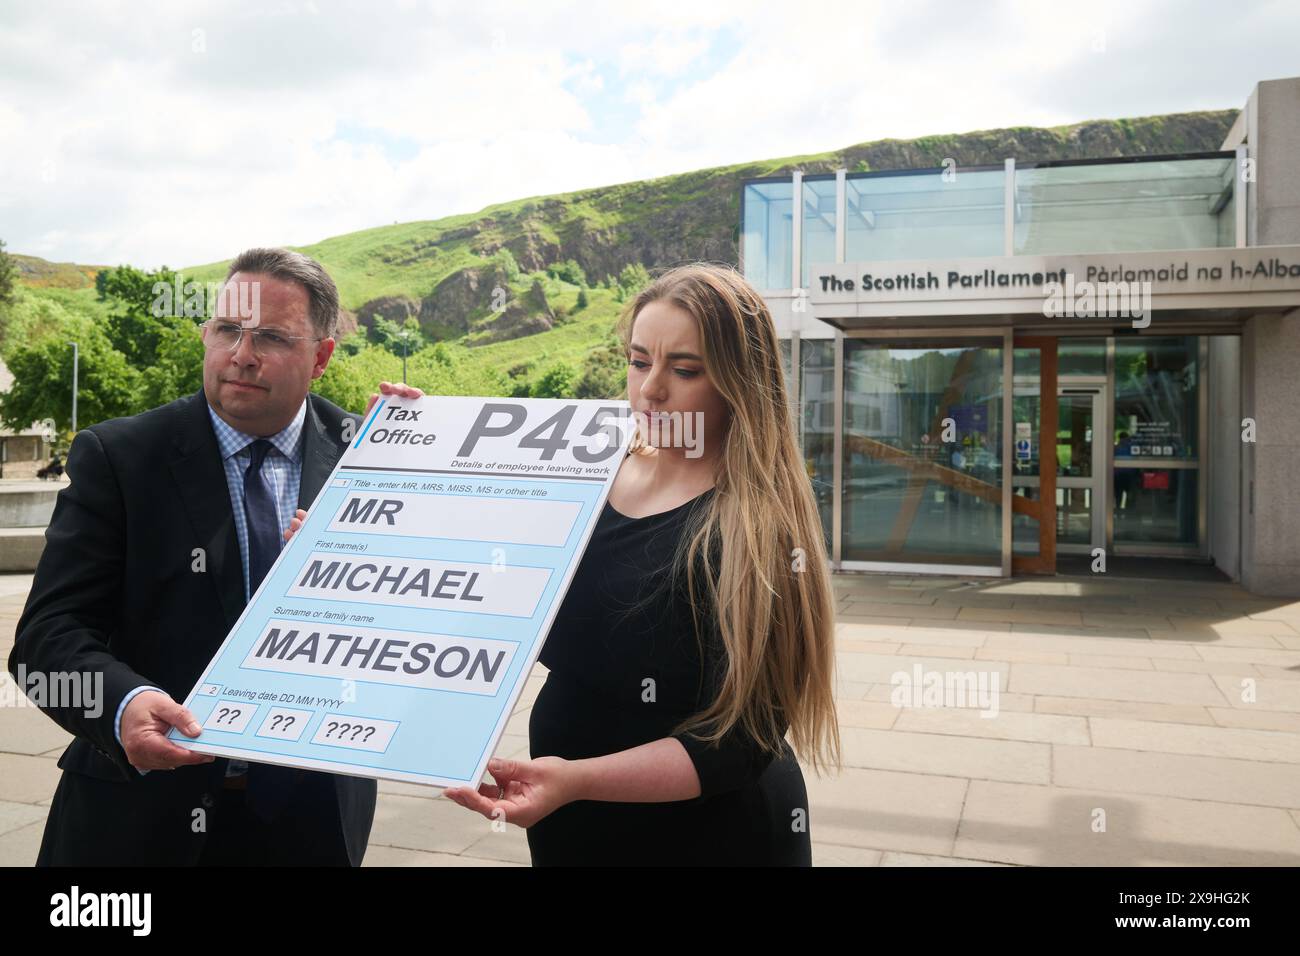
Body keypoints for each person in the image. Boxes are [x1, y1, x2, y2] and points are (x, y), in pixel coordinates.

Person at [386, 262, 841, 864]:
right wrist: (390, 464)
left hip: (713, 837)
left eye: (684, 369)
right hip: (567, 820)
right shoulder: (577, 473)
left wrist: (579, 780)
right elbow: (460, 579)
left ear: (740, 383)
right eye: (637, 361)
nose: (651, 388)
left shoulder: (759, 524)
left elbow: (739, 743)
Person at [8, 247, 377, 866]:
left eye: (271, 338)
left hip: (314, 821)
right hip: (137, 820)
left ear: (321, 356)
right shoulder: (120, 457)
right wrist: (121, 704)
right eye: (228, 329)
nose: (242, 354)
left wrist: (427, 460)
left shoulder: (367, 461)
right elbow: (47, 635)